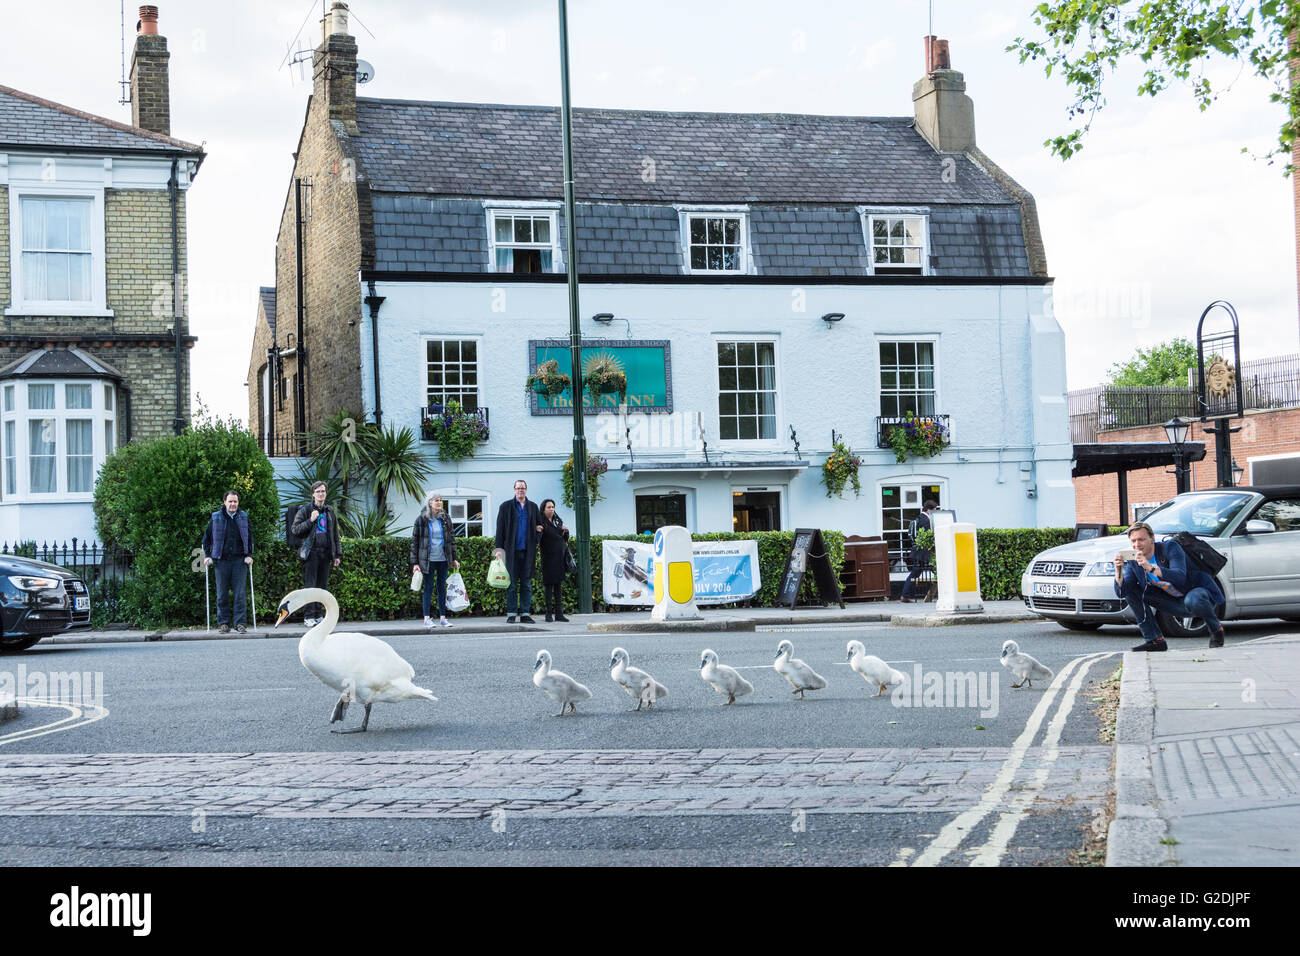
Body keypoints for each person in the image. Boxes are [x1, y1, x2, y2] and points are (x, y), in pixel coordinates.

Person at [1114, 520, 1226, 652]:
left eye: (1141, 540)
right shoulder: (1134, 562)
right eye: (1133, 541)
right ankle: (1155, 640)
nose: (1137, 545)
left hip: (1194, 591)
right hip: (1171, 602)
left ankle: (1216, 629)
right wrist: (1118, 570)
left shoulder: (1170, 547)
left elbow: (1179, 577)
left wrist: (1149, 567)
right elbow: (1122, 592)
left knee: (1193, 600)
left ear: (1152, 538)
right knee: (1132, 592)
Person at [201, 489, 254, 634]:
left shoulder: (243, 517)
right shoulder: (216, 517)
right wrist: (207, 555)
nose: (232, 504)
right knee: (222, 593)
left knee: (240, 594)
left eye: (235, 501)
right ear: (224, 502)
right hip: (221, 560)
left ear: (238, 502)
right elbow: (206, 539)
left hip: (239, 561)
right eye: (230, 501)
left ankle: (240, 624)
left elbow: (250, 538)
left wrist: (249, 554)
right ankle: (223, 623)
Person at [291, 481, 342, 626]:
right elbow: (295, 530)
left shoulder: (329, 511)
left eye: (323, 491)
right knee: (310, 587)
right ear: (313, 494)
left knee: (322, 587)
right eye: (318, 491)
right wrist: (311, 520)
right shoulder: (305, 510)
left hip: (325, 553)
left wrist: (337, 554)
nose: (321, 494)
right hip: (311, 553)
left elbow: (335, 534)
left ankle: (319, 615)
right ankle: (309, 617)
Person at [494, 478, 542, 624]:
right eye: (518, 488)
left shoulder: (533, 507)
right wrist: (498, 549)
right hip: (510, 552)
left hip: (528, 552)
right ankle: (512, 613)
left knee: (526, 584)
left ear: (526, 490)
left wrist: (537, 537)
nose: (521, 490)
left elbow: (540, 527)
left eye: (523, 488)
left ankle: (525, 613)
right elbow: (500, 529)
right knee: (512, 584)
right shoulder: (506, 506)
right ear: (514, 490)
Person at [411, 493, 460, 629]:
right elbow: (415, 542)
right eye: (436, 500)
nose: (439, 503)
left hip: (443, 559)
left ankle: (443, 618)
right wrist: (415, 563)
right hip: (427, 559)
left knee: (441, 588)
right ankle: (427, 618)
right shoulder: (421, 519)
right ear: (429, 503)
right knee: (428, 588)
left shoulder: (445, 518)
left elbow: (451, 540)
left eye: (440, 500)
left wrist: (454, 558)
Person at [536, 498, 571, 623]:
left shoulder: (557, 520)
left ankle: (559, 614)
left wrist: (566, 531)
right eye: (549, 507)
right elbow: (538, 538)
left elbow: (564, 539)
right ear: (543, 509)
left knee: (558, 586)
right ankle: (548, 613)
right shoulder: (541, 522)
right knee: (549, 586)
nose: (551, 509)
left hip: (559, 557)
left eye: (553, 507)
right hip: (548, 558)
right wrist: (537, 531)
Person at [900, 499, 939, 603]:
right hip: (923, 553)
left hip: (918, 552)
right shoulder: (925, 520)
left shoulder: (918, 518)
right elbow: (929, 536)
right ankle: (906, 595)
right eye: (934, 510)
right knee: (936, 571)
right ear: (929, 510)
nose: (935, 513)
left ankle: (906, 595)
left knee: (915, 573)